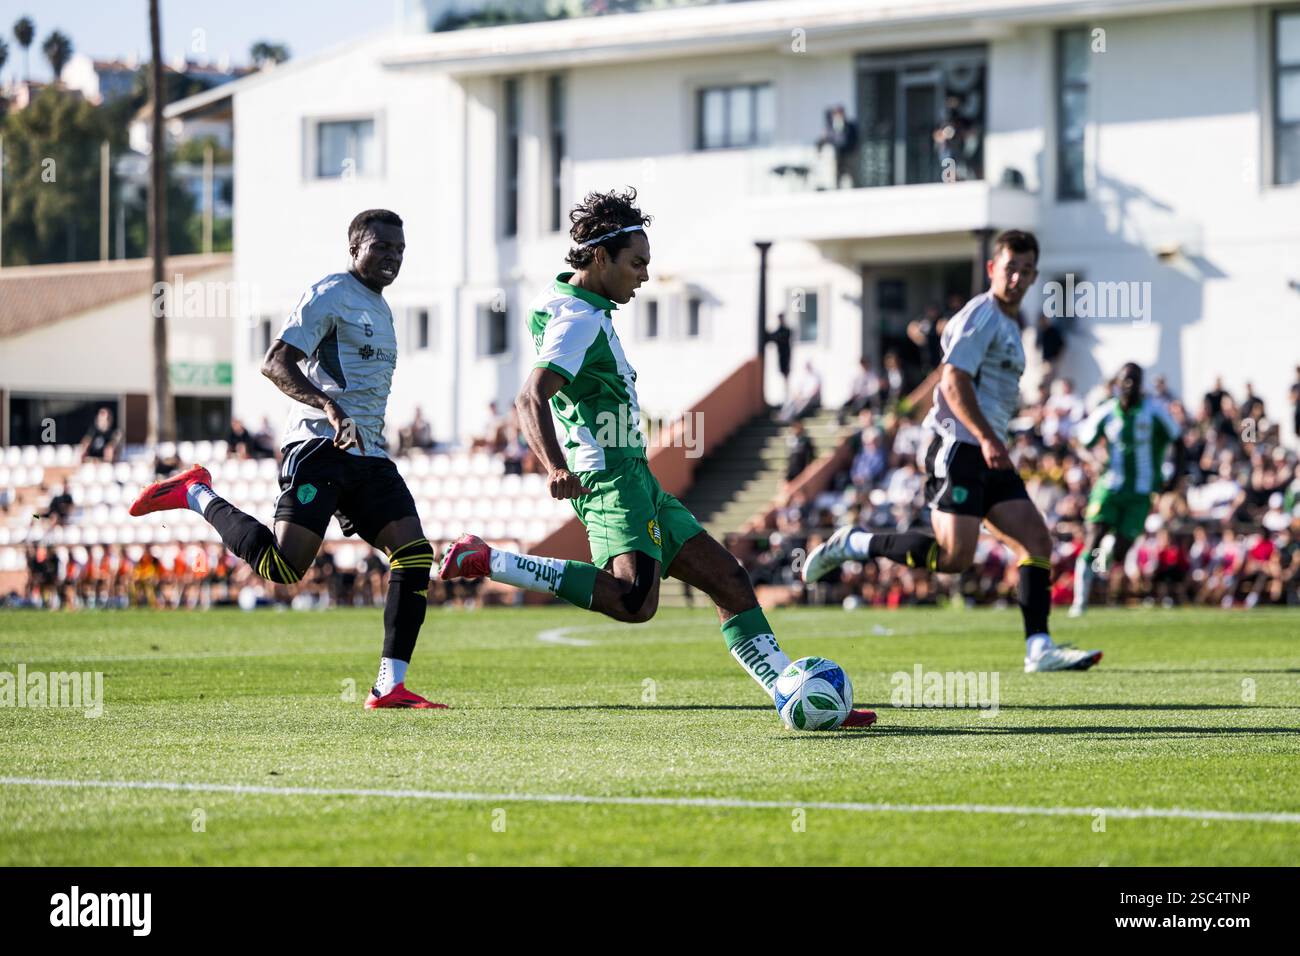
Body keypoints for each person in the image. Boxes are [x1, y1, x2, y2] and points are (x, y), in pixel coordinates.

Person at [438, 187, 875, 728]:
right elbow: (531, 395)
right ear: (600, 258)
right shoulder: (577, 319)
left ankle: (794, 694)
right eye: (636, 263)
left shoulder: (573, 307)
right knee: (634, 601)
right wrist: (554, 465)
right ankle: (488, 559)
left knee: (731, 583)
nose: (644, 275)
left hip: (638, 479)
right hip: (611, 482)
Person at [128, 209, 443, 710]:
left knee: (414, 553)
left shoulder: (382, 309)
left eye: (399, 249)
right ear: (355, 247)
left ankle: (389, 686)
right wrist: (329, 406)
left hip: (369, 455)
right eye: (382, 246)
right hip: (319, 447)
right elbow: (275, 361)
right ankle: (194, 492)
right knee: (283, 567)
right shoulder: (330, 292)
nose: (392, 257)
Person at [801, 229, 1102, 672]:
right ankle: (852, 542)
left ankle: (1039, 646)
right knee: (954, 559)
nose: (1017, 277)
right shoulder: (981, 315)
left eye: (1026, 270)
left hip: (988, 451)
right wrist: (985, 437)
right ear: (992, 269)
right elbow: (952, 382)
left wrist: (995, 437)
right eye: (1010, 267)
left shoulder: (1010, 323)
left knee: (1036, 540)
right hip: (959, 447)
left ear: (1035, 275)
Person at [1069, 363, 1183, 616]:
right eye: (1125, 380)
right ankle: (1080, 601)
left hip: (1141, 492)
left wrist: (1174, 477)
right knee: (1093, 536)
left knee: (1119, 549)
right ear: (1117, 383)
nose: (1129, 385)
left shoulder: (1155, 412)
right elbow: (1080, 440)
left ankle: (1104, 561)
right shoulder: (1106, 412)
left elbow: (1179, 440)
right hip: (1109, 486)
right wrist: (1094, 460)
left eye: (1135, 380)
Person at [816, 104, 858, 189]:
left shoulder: (850, 126)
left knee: (852, 175)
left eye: (840, 113)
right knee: (837, 176)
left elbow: (854, 138)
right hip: (837, 155)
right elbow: (825, 139)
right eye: (836, 113)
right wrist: (819, 148)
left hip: (849, 154)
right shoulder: (831, 127)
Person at [765, 313, 793, 402]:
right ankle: (784, 396)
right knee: (784, 375)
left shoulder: (786, 330)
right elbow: (772, 338)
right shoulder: (779, 331)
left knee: (786, 375)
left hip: (786, 356)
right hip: (781, 356)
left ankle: (787, 396)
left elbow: (780, 338)